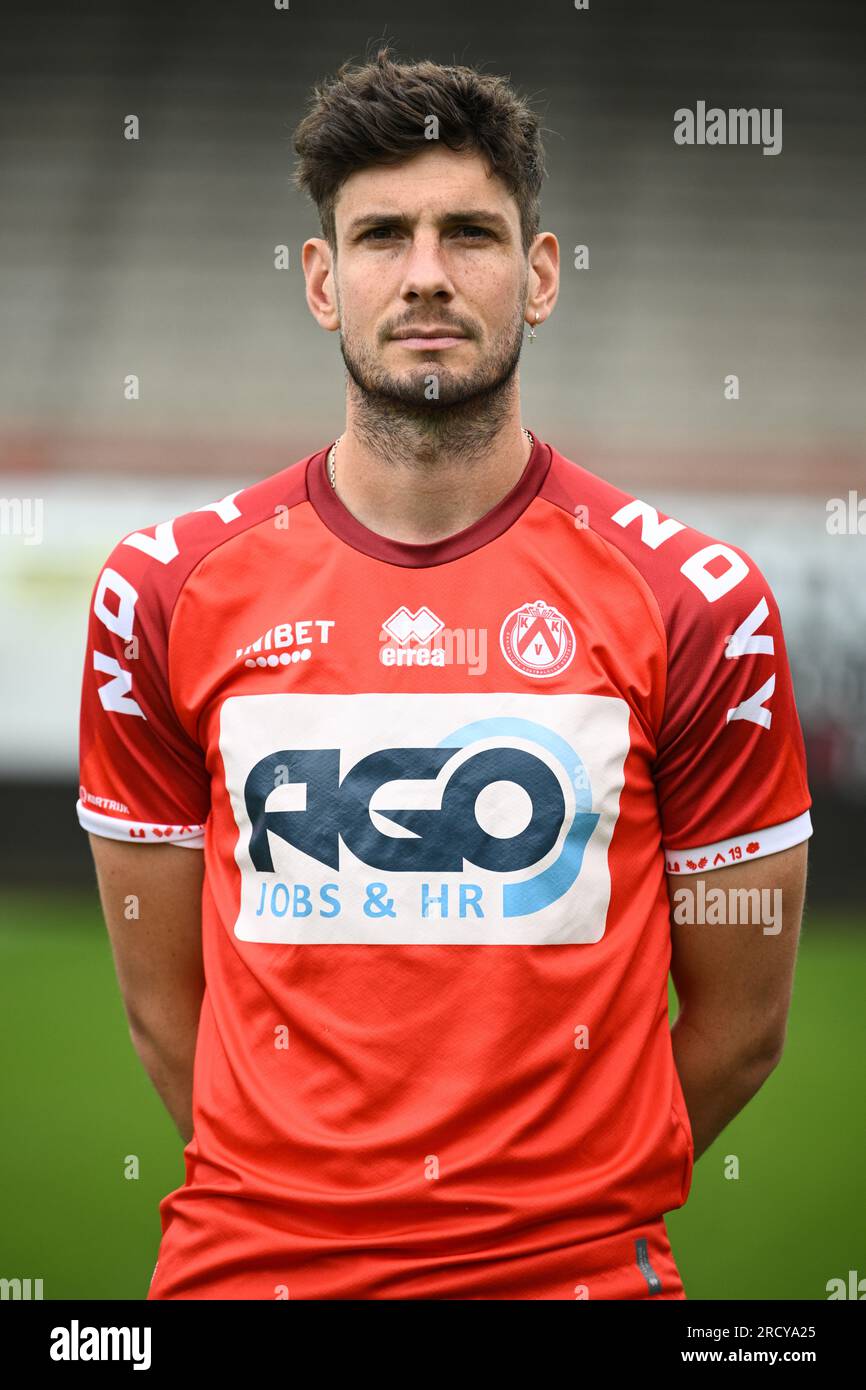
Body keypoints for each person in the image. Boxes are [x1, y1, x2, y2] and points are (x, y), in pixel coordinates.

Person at [77, 48, 811, 1300]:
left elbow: (740, 1031)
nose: (424, 274)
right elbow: (165, 1014)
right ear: (322, 280)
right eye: (380, 237)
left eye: (469, 232)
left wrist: (548, 1218)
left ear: (537, 274)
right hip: (249, 1276)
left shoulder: (698, 602)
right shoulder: (160, 588)